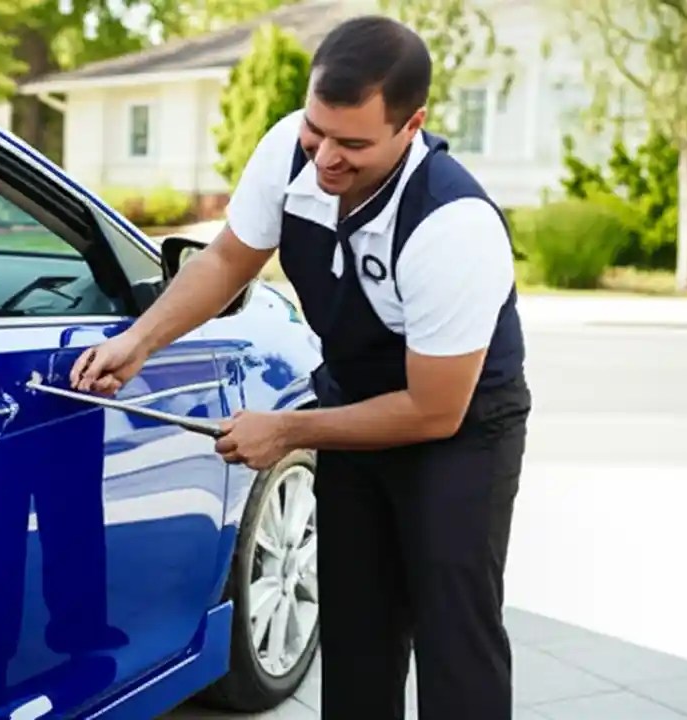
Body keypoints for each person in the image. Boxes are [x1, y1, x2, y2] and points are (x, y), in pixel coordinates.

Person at [69, 14, 531, 720]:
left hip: (459, 431)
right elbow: (228, 259)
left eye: (353, 144)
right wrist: (139, 341)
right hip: (351, 404)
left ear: (412, 128)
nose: (326, 159)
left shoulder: (452, 224)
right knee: (356, 628)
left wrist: (287, 431)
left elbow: (434, 408)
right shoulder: (291, 149)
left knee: (453, 632)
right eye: (319, 131)